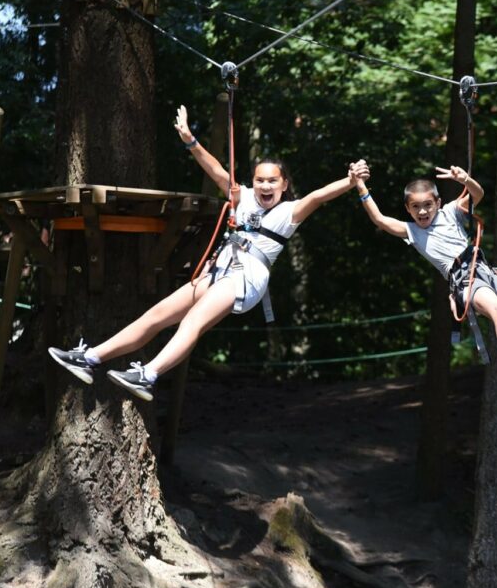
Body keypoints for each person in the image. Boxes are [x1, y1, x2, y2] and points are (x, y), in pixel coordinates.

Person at [48, 104, 369, 401]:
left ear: (284, 184)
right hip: (220, 271)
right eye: (260, 180)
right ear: (253, 182)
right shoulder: (241, 197)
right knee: (157, 315)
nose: (266, 186)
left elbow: (317, 197)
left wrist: (349, 181)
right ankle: (90, 358)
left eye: (273, 181)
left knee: (193, 321)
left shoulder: (289, 212)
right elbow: (215, 169)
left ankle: (148, 375)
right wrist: (190, 140)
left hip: (247, 277)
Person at [354, 163, 497, 390]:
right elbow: (380, 220)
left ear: (438, 202)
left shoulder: (451, 212)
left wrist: (465, 180)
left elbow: (478, 194)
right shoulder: (412, 231)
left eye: (428, 204)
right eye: (416, 207)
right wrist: (361, 186)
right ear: (408, 208)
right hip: (464, 281)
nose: (423, 211)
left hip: (484, 270)